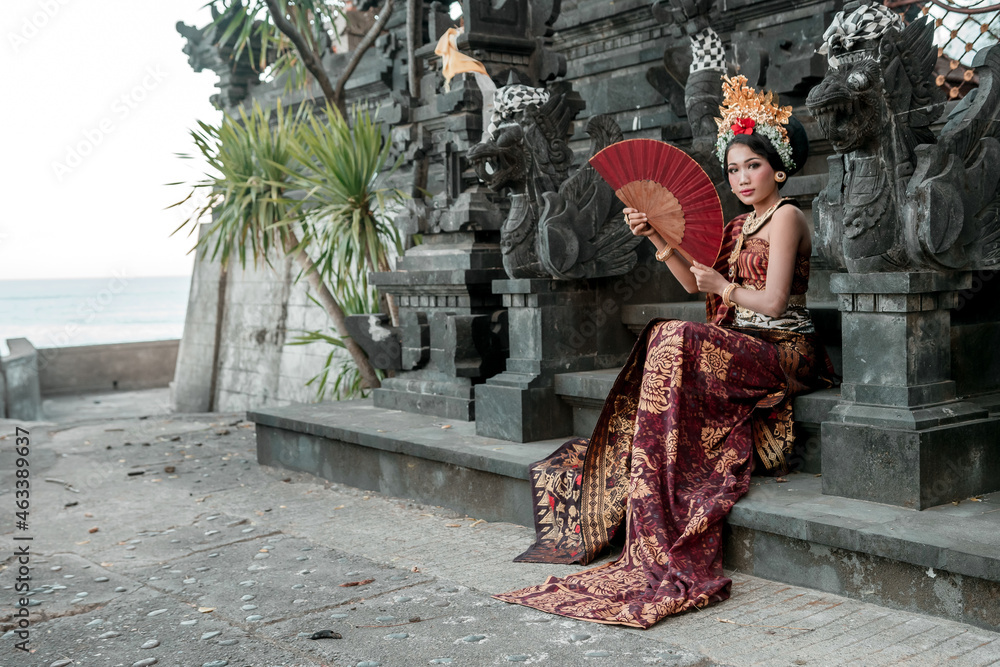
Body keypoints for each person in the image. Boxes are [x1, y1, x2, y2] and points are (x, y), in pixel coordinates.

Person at [493, 75, 837, 629]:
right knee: (665, 331)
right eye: (733, 169)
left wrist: (724, 288)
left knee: (673, 336)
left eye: (752, 165)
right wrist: (655, 235)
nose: (742, 178)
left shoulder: (788, 217)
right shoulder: (736, 225)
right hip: (740, 342)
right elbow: (689, 285)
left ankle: (657, 467)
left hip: (783, 347)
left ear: (778, 167)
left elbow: (772, 302)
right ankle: (657, 466)